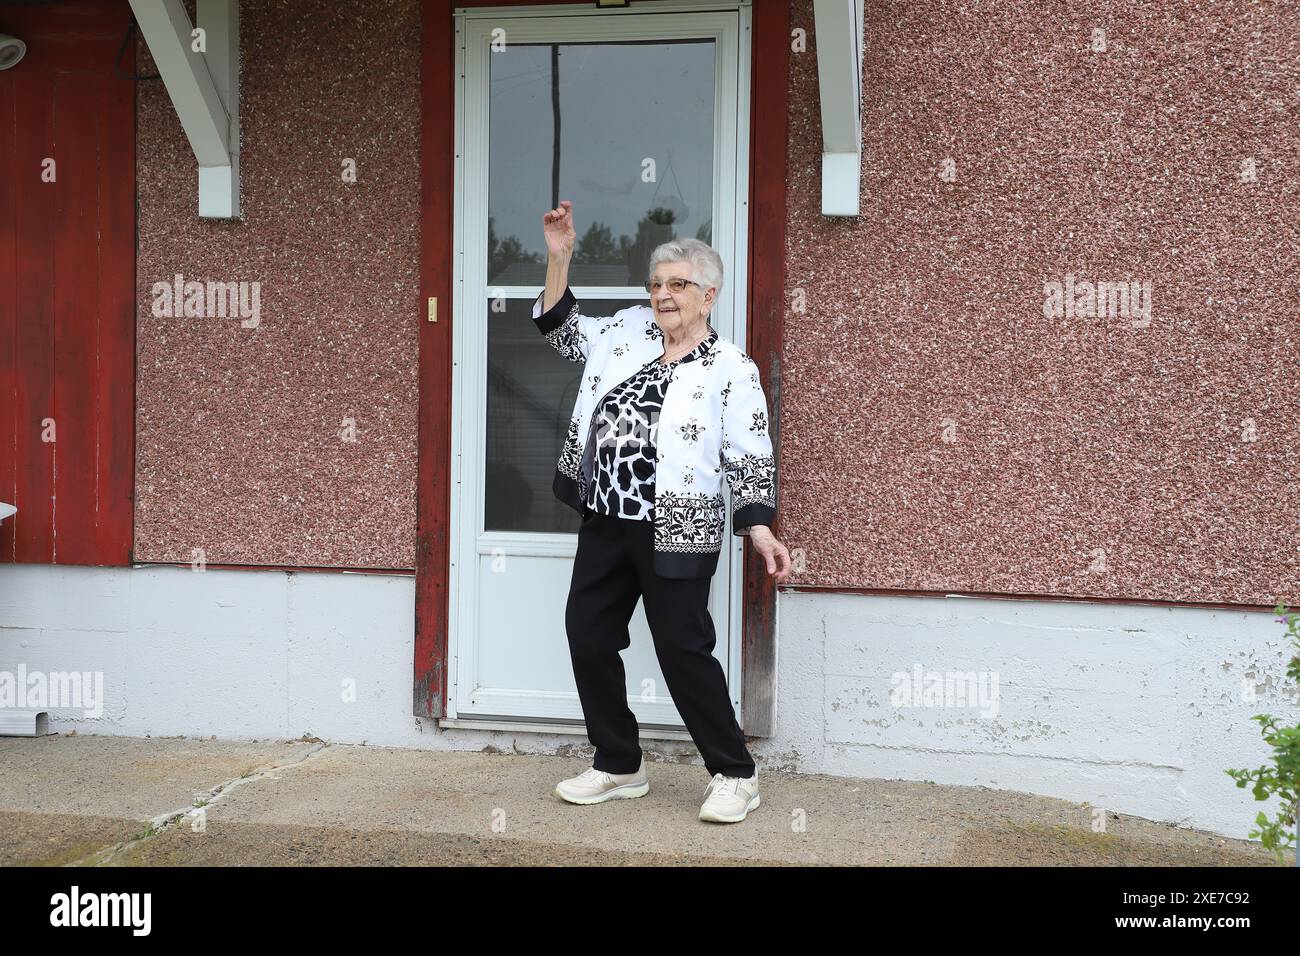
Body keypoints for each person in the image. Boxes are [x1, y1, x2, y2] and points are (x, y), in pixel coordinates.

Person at [533, 200, 791, 823]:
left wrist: (758, 525)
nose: (663, 295)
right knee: (587, 633)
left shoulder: (731, 369)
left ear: (709, 293)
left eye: (678, 285)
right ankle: (619, 763)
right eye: (656, 284)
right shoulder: (624, 331)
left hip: (678, 525)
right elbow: (560, 327)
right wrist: (560, 258)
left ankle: (735, 772)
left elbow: (748, 450)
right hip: (605, 517)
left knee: (682, 647)